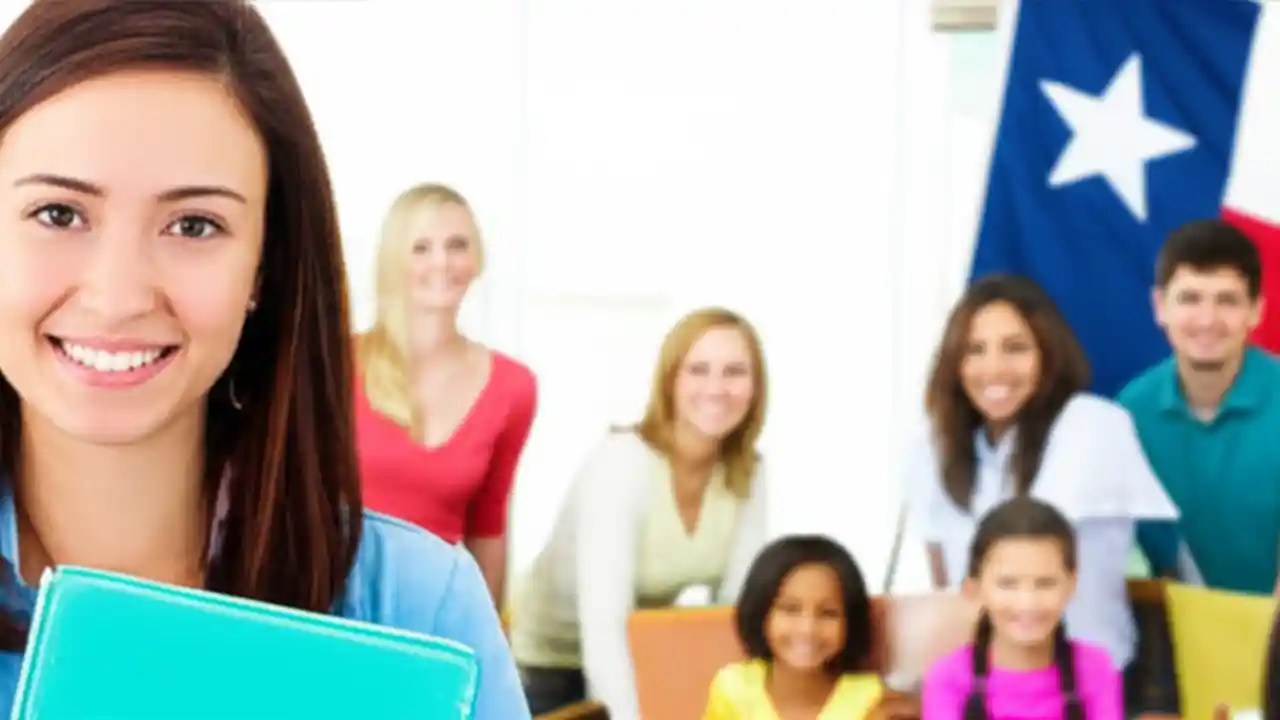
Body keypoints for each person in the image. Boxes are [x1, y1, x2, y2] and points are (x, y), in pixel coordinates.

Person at [0, 2, 527, 718]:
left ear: (265, 267)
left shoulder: (417, 610)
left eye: (194, 225)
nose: (117, 297)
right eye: (58, 214)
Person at [903, 274, 1178, 673]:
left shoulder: (1092, 423)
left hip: (1083, 681)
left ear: (1048, 353)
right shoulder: (935, 442)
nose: (994, 368)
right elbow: (946, 580)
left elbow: (1031, 555)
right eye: (975, 350)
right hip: (979, 679)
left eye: (1015, 348)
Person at [510, 307, 771, 719]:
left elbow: (736, 616)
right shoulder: (622, 462)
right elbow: (605, 629)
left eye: (735, 372)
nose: (717, 388)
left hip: (641, 653)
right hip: (546, 663)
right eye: (698, 370)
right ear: (670, 381)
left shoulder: (748, 474)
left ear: (756, 387)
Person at [355, 182, 536, 603]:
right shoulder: (336, 362)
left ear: (477, 259)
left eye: (457, 245)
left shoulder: (513, 386)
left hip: (435, 608)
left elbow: (488, 526)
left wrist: (489, 630)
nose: (441, 262)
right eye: (421, 248)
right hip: (335, 598)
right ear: (394, 261)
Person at [1118, 219, 1280, 596]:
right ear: (1160, 306)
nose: (1207, 320)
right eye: (1190, 299)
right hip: (1173, 620)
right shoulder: (1130, 412)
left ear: (1256, 310)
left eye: (1227, 301)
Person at [922, 497, 1123, 719]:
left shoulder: (1095, 669)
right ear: (974, 589)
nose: (1027, 603)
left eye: (1045, 583)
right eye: (1007, 584)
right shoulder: (950, 678)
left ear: (1072, 585)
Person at [702, 535, 920, 720]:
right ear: (761, 613)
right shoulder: (733, 688)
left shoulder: (871, 699)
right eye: (790, 609)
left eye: (828, 613)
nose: (807, 629)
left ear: (850, 622)